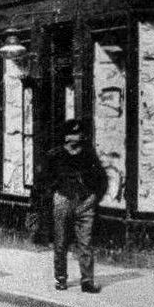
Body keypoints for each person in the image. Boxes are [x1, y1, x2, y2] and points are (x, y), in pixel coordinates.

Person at [42, 120, 108, 293]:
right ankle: (61, 278)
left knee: (85, 243)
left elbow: (102, 178)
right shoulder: (55, 155)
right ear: (64, 137)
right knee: (60, 242)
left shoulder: (88, 155)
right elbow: (44, 181)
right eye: (71, 135)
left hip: (85, 203)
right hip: (62, 201)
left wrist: (94, 197)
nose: (74, 138)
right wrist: (54, 197)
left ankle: (87, 281)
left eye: (77, 135)